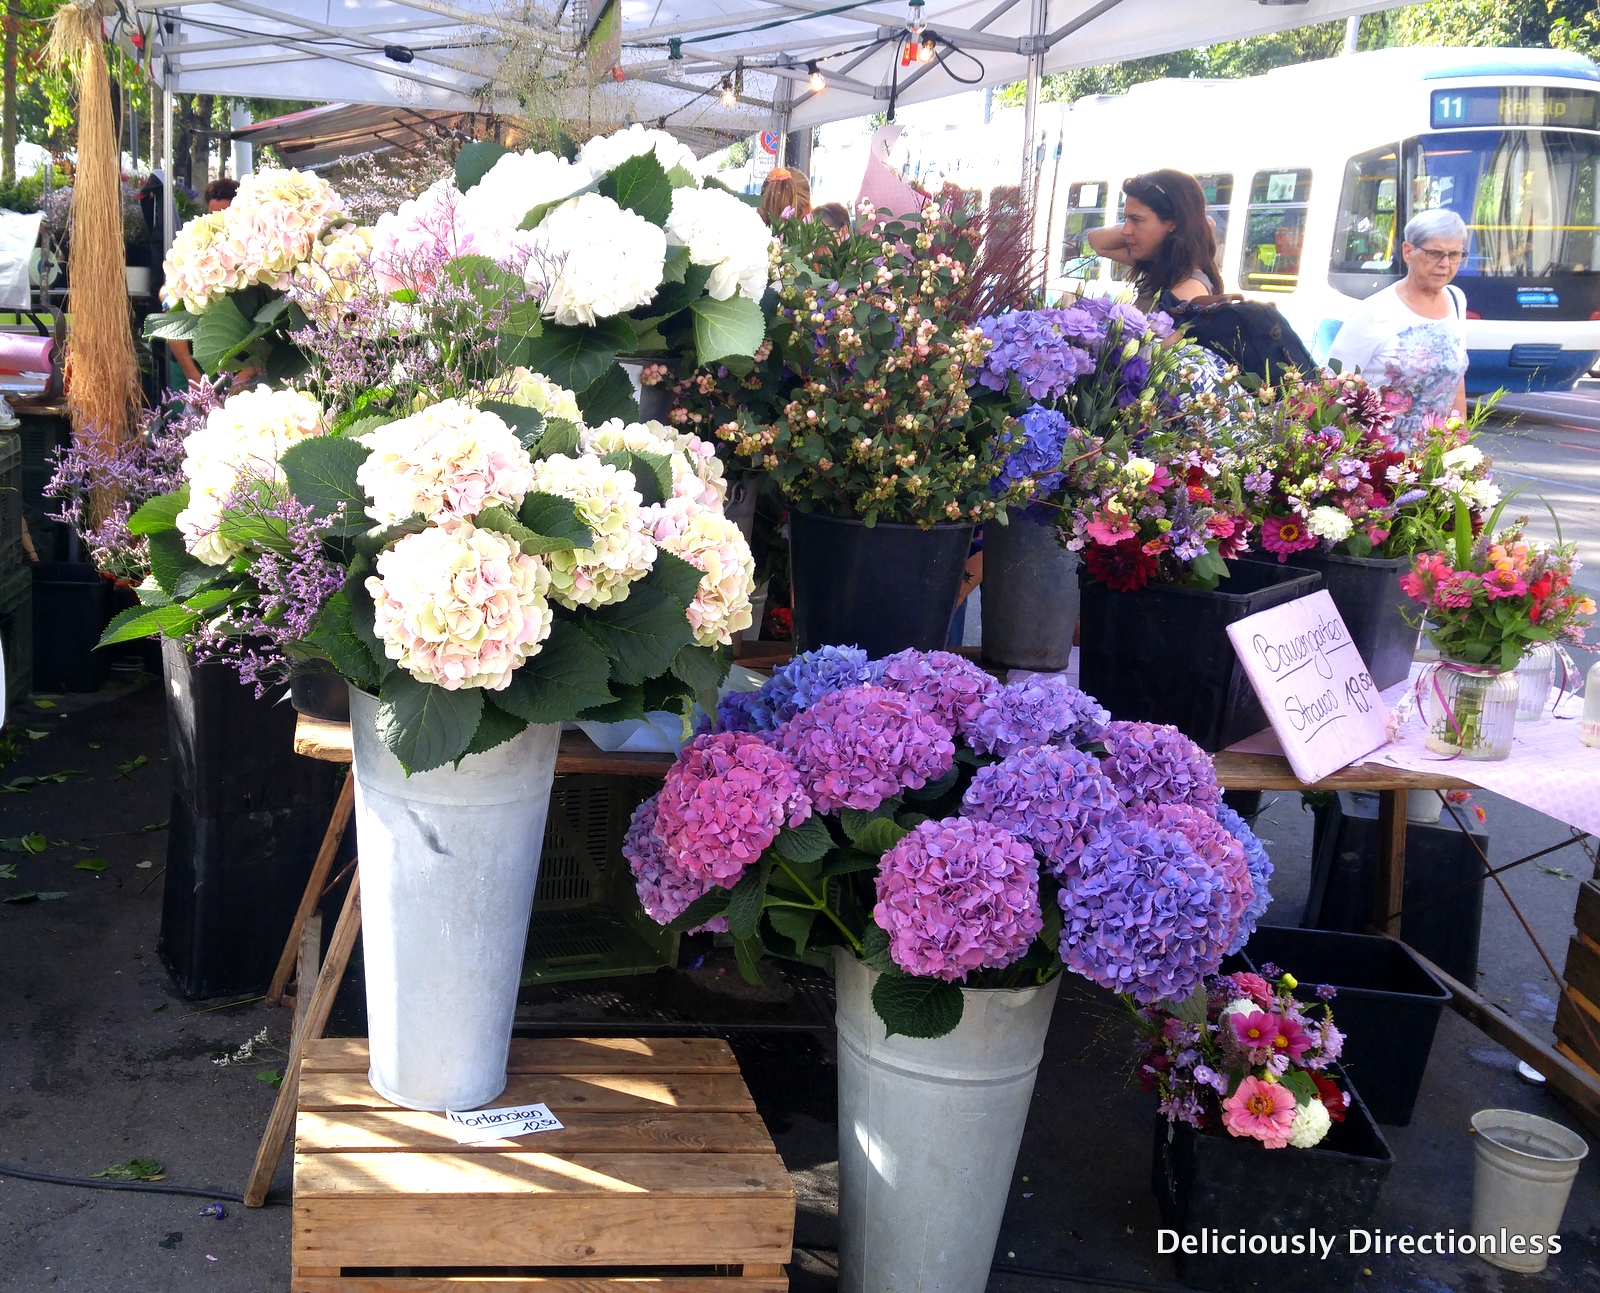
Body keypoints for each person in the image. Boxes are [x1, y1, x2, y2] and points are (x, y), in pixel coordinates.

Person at [1328, 208, 1469, 445]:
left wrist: (1460, 442)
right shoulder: (1374, 312)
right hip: (1378, 457)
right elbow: (1331, 387)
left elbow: (1456, 380)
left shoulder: (1456, 300)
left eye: (1454, 254)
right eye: (1435, 253)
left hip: (1436, 456)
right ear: (1408, 251)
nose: (1445, 264)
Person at [1086, 170, 1222, 312]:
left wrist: (1190, 224)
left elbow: (1099, 244)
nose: (1125, 230)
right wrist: (1192, 224)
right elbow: (1096, 241)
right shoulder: (1163, 264)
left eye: (1136, 219)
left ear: (1173, 222)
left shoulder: (1186, 291)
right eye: (1126, 219)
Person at [170, 178, 242, 390]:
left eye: (225, 214)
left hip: (241, 367)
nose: (219, 222)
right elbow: (172, 321)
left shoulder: (252, 256)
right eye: (213, 215)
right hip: (191, 366)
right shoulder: (194, 248)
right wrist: (192, 376)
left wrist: (245, 376)